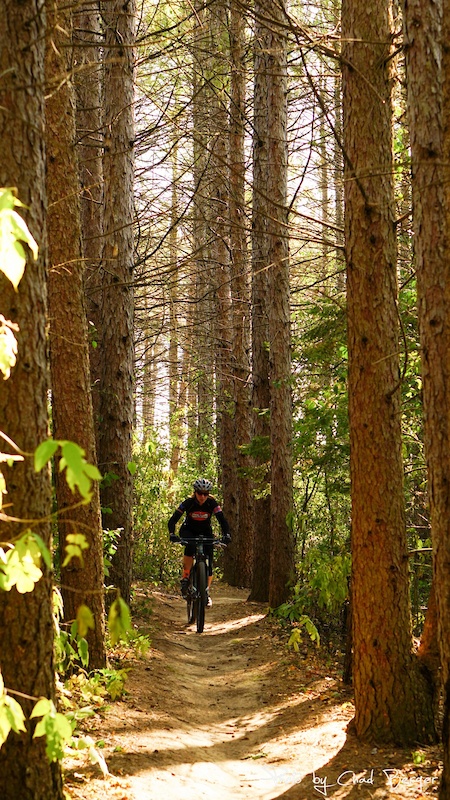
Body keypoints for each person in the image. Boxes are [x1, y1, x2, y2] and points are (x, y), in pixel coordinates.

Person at [168, 478, 231, 607]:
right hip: (188, 530)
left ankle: (206, 592)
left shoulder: (212, 503)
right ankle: (186, 577)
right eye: (200, 493)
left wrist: (227, 535)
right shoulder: (188, 503)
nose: (203, 496)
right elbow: (173, 519)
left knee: (209, 560)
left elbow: (222, 520)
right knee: (190, 547)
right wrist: (172, 534)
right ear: (195, 492)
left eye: (206, 494)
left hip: (205, 532)